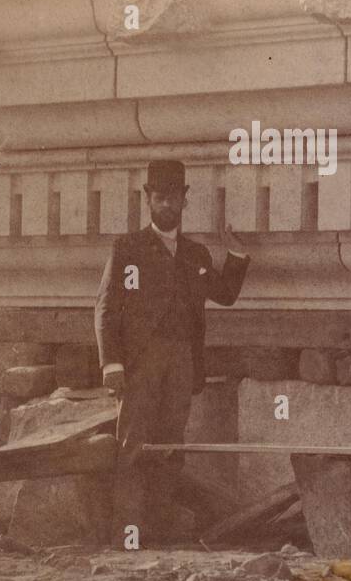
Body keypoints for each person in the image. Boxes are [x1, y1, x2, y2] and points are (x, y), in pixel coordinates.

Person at [95, 159, 250, 547]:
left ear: (184, 200)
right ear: (148, 199)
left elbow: (225, 295)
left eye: (174, 198)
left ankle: (161, 534)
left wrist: (236, 257)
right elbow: (106, 307)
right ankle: (128, 535)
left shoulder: (195, 255)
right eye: (159, 197)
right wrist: (111, 363)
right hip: (139, 363)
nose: (166, 205)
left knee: (170, 447)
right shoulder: (128, 248)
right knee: (133, 446)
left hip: (182, 362)